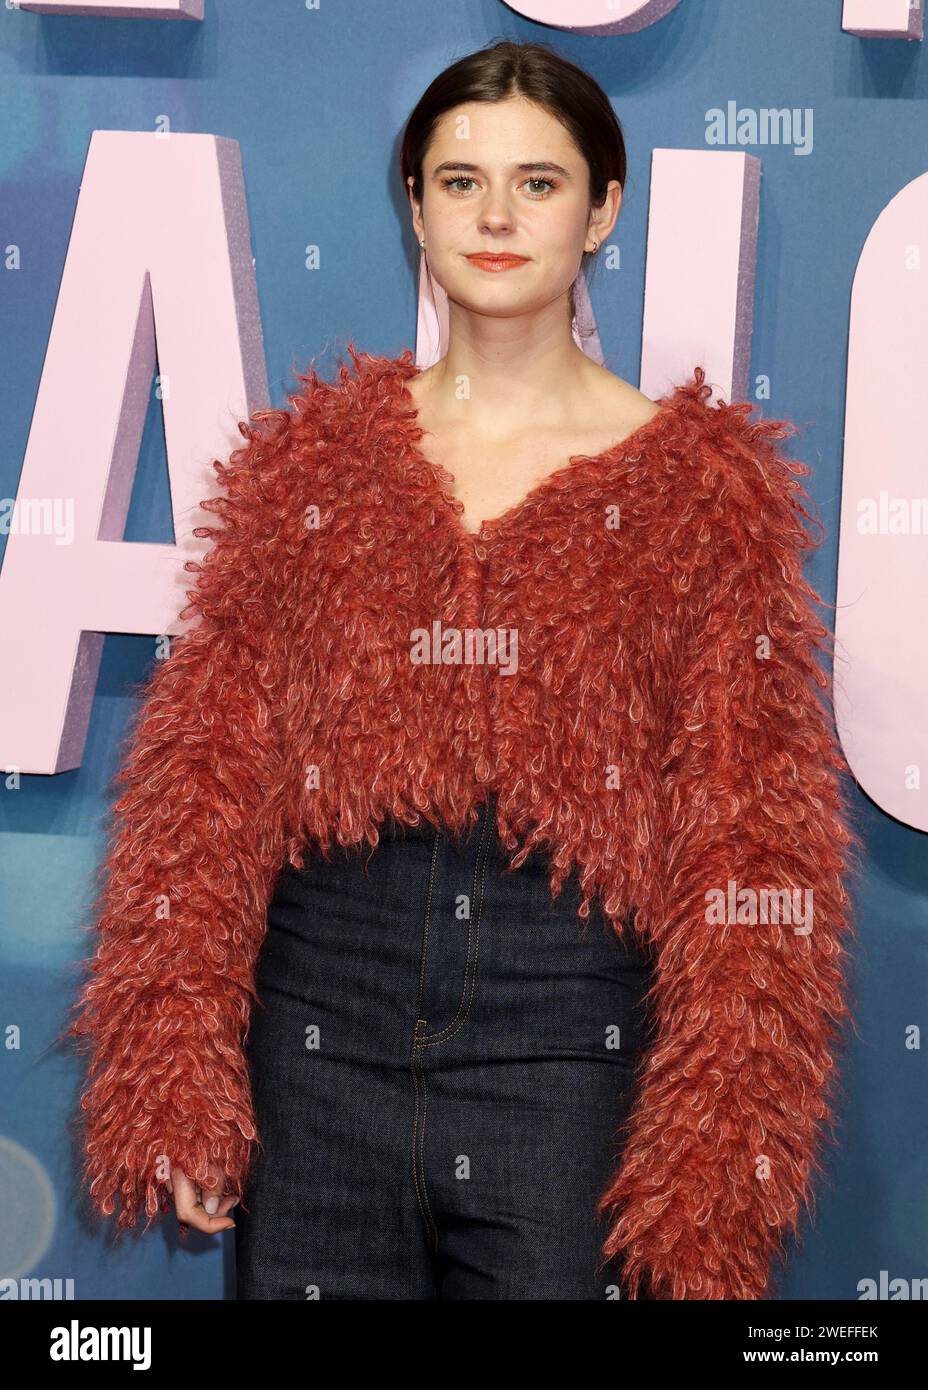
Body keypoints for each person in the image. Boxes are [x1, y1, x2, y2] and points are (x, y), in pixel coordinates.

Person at [66, 39, 861, 1301]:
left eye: (538, 183)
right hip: (319, 1016)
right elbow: (205, 780)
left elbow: (753, 833)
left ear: (601, 210)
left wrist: (718, 1152)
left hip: (569, 1029)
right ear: (417, 208)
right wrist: (174, 1064)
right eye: (460, 182)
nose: (496, 217)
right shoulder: (311, 464)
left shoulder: (700, 491)